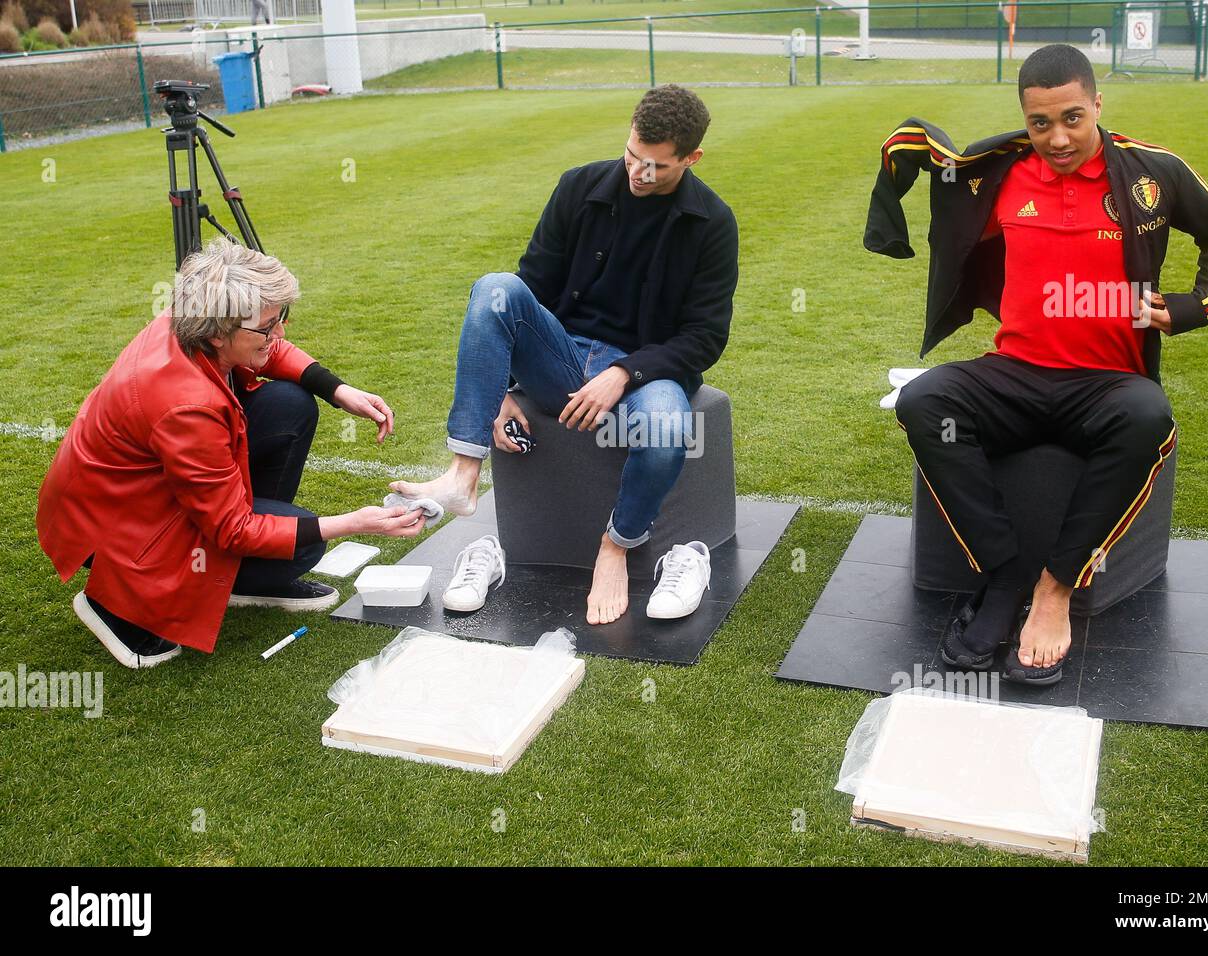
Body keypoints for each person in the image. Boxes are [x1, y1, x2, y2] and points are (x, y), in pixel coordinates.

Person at [866, 45, 1208, 685]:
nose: (1057, 137)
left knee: (1148, 415)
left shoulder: (1151, 174)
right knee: (924, 402)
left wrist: (1187, 307)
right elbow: (928, 155)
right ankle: (1005, 573)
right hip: (1015, 372)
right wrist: (901, 176)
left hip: (1108, 385)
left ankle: (1054, 587)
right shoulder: (1002, 170)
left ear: (1097, 104)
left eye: (1073, 117)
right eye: (1040, 122)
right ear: (1024, 117)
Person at [390, 84, 739, 626]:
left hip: (647, 374)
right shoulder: (578, 187)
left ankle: (616, 547)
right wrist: (506, 391)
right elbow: (529, 291)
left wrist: (625, 372)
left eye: (656, 166)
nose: (638, 174)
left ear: (692, 158)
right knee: (496, 286)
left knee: (669, 428)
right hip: (563, 357)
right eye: (631, 157)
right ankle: (463, 475)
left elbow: (704, 338)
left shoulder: (713, 222)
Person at [37, 239, 426, 669]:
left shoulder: (195, 318)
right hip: (112, 527)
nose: (278, 334)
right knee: (303, 545)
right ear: (218, 332)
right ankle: (112, 604)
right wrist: (354, 523)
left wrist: (335, 388)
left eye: (280, 318)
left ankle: (234, 579)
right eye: (267, 326)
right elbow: (232, 530)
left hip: (130, 492)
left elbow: (269, 351)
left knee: (291, 406)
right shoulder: (187, 405)